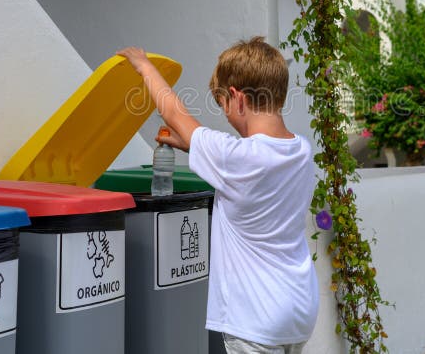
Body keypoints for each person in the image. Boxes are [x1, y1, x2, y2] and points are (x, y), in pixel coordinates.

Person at [117, 37, 319, 354]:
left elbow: (173, 112)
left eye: (224, 105)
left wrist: (143, 64)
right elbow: (244, 172)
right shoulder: (301, 151)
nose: (226, 116)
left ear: (237, 98)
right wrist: (189, 147)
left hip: (255, 318)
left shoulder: (236, 158)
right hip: (298, 309)